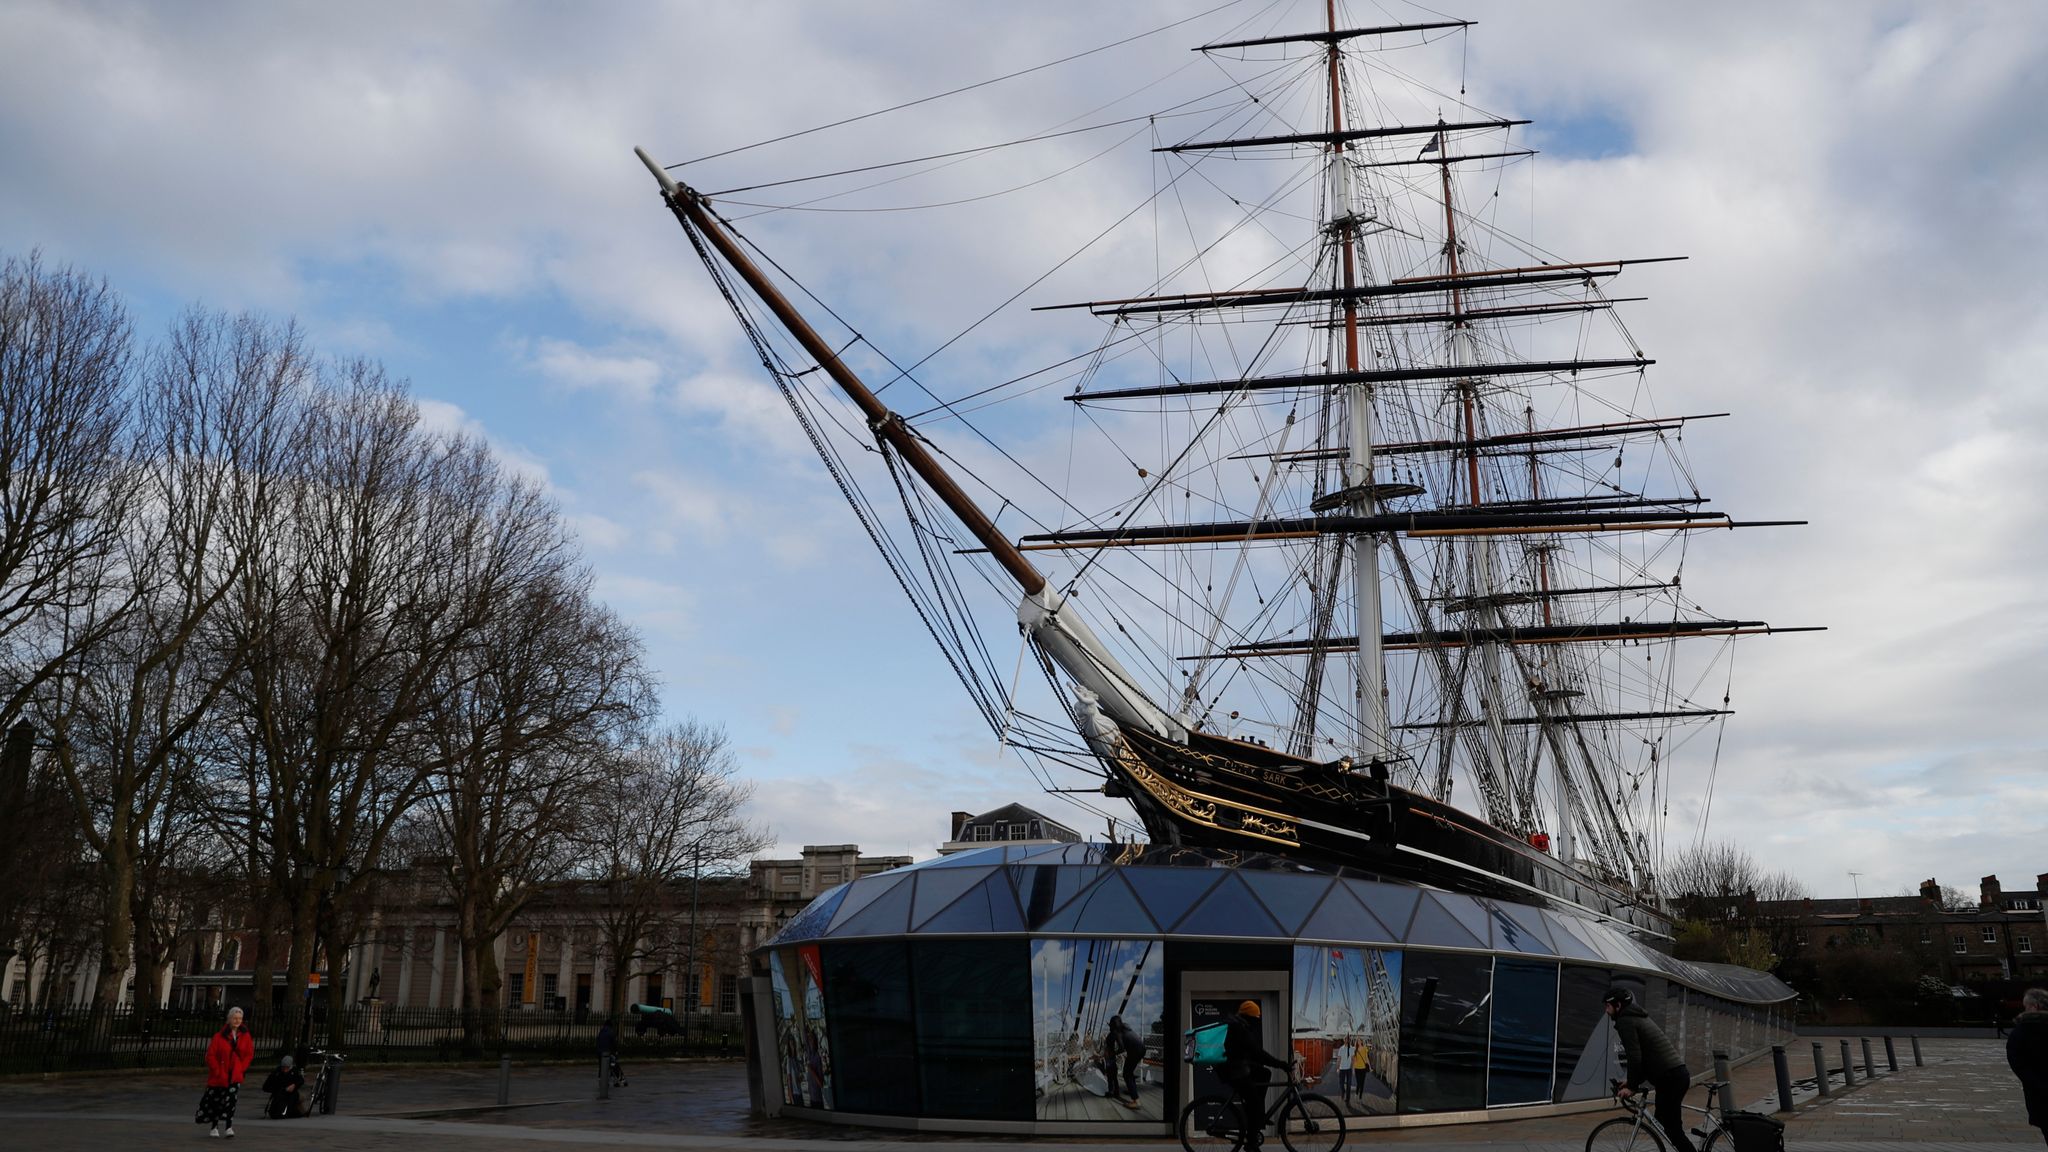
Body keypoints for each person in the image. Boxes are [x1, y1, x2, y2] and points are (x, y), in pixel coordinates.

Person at [1605, 987, 1693, 1152]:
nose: (1606, 1010)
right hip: (1672, 1076)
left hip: (1671, 1078)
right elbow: (1648, 1058)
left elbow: (1635, 1057)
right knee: (1661, 1120)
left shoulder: (1626, 1021)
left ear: (1617, 1005)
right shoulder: (1635, 1017)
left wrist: (1632, 1086)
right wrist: (1632, 1082)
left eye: (1607, 1006)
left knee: (1673, 1130)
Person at [1221, 1000, 1291, 1149]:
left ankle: (1256, 1113)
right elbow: (1257, 1053)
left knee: (1265, 1073)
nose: (1256, 1022)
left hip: (1238, 1066)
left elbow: (1252, 1053)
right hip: (1234, 1071)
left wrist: (1276, 1064)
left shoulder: (1239, 1025)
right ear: (1248, 1017)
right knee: (1255, 1104)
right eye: (1255, 1019)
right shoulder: (1238, 1028)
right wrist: (1281, 1064)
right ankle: (1251, 1144)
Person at [194, 1006, 255, 1138]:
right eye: (235, 1018)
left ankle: (229, 1126)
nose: (237, 1021)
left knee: (231, 1102)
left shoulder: (245, 1036)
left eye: (240, 1018)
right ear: (229, 1019)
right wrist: (217, 1070)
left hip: (235, 1074)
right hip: (220, 1075)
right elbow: (210, 1056)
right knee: (217, 1100)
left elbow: (249, 1054)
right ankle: (214, 1127)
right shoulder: (219, 1036)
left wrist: (242, 1068)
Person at [2008, 987, 2048, 1146]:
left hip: (2039, 1094)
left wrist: (2037, 1084)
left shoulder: (2023, 1031)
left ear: (2034, 1007)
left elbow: (2017, 1063)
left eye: (2025, 1006)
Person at [1104, 1014, 1146, 1108]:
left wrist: (1113, 1054)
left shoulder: (1117, 1032)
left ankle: (1136, 1101)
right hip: (1141, 1049)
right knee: (1129, 1073)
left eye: (1111, 1025)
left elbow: (1122, 1048)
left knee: (1126, 1074)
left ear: (1113, 1025)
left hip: (1135, 1051)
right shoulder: (1125, 1027)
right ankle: (1132, 1090)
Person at [260, 1054, 304, 1119]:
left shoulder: (294, 1071)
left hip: (292, 1094)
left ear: (290, 1067)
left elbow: (301, 1080)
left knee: (298, 1098)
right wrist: (279, 1089)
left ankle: (295, 1110)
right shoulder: (276, 1073)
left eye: (287, 1068)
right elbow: (265, 1087)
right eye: (283, 1067)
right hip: (280, 1094)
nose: (285, 1070)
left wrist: (294, 1085)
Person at [597, 1016, 627, 1087]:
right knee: (614, 1066)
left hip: (600, 1052)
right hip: (608, 1052)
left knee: (602, 1067)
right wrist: (616, 1052)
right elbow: (613, 1043)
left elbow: (598, 1042)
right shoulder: (611, 1032)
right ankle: (620, 1081)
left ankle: (602, 1081)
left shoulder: (601, 1031)